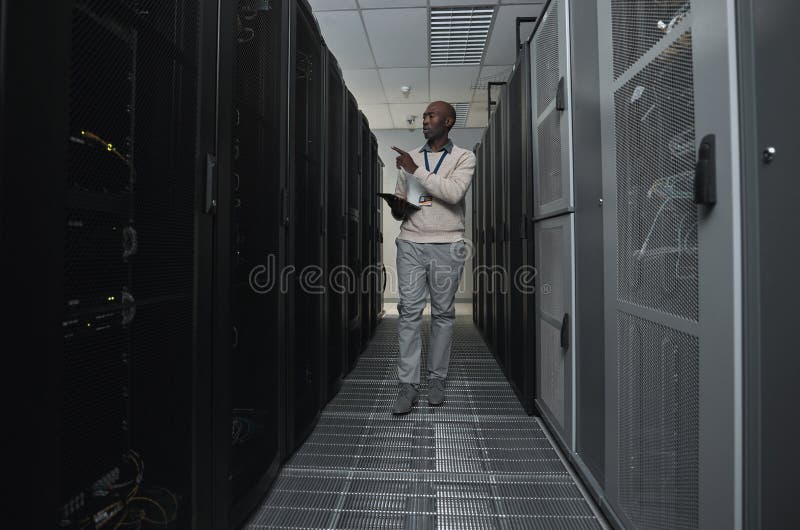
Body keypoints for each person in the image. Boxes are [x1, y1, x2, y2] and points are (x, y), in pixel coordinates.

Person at [387, 100, 476, 415]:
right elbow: (408, 201)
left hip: (448, 242)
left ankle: (436, 380)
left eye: (431, 115)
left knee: (442, 314)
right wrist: (399, 204)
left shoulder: (464, 157)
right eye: (424, 115)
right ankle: (407, 386)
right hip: (411, 241)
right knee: (408, 313)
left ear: (448, 121)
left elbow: (453, 193)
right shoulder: (411, 158)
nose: (425, 119)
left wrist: (415, 170)